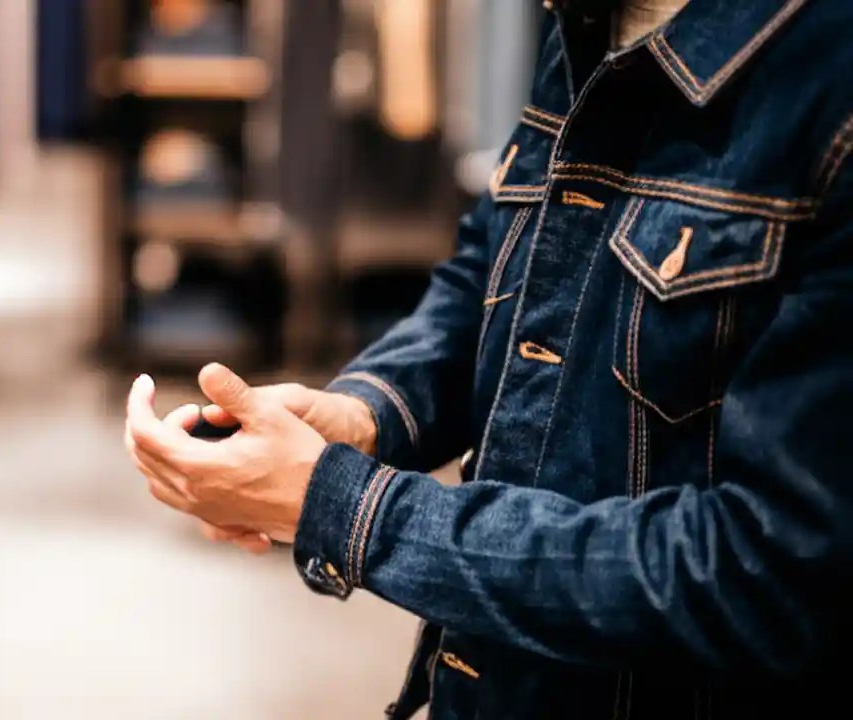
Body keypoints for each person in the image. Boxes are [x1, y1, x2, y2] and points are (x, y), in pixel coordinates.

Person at [124, 0, 853, 717]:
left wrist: (350, 508)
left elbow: (768, 571)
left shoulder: (827, 81)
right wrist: (366, 413)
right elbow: (499, 264)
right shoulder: (586, 20)